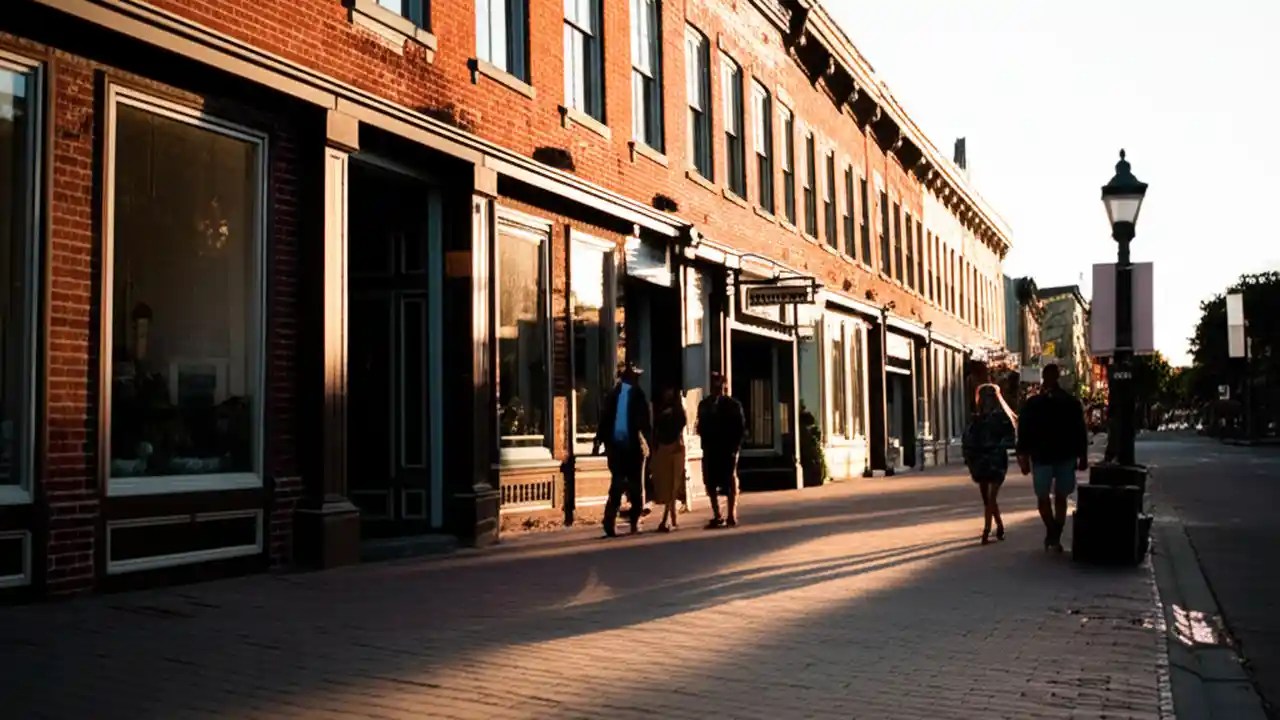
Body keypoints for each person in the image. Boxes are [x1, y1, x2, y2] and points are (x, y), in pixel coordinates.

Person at [1016, 364, 1090, 552]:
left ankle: (1053, 531)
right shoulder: (1070, 403)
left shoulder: (1033, 404)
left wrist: (1023, 456)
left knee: (1044, 497)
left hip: (1043, 456)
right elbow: (1080, 431)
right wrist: (1082, 455)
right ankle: (1054, 531)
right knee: (1060, 497)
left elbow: (1023, 432)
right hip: (1063, 455)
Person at [594, 364, 652, 537]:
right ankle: (629, 520)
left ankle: (613, 520)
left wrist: (599, 440)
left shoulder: (615, 395)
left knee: (620, 484)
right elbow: (644, 423)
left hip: (621, 446)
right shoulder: (634, 395)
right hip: (628, 447)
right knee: (632, 486)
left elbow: (605, 419)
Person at [962, 383, 1017, 545]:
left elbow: (1009, 438)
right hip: (982, 462)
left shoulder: (1000, 417)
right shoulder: (977, 418)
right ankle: (999, 526)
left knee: (991, 497)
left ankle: (987, 530)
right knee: (988, 499)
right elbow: (968, 438)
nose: (987, 401)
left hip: (995, 461)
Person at [696, 372, 746, 529]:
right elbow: (700, 426)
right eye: (714, 386)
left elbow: (740, 427)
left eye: (720, 386)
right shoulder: (704, 405)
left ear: (725, 387)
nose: (717, 389)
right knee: (710, 481)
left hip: (728, 447)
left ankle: (731, 513)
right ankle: (717, 514)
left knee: (730, 479)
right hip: (711, 448)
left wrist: (736, 448)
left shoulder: (733, 405)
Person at [650, 387, 687, 532]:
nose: (668, 393)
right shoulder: (660, 410)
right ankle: (672, 518)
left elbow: (681, 424)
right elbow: (656, 430)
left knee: (673, 484)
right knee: (666, 484)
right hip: (664, 447)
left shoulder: (678, 411)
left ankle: (667, 519)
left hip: (675, 447)